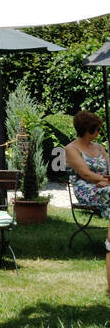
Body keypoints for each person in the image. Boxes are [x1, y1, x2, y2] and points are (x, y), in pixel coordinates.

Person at [65, 110, 110, 294]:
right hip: (85, 189)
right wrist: (102, 180)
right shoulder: (71, 149)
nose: (99, 132)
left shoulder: (99, 148)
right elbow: (84, 173)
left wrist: (106, 179)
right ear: (87, 130)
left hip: (104, 184)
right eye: (96, 129)